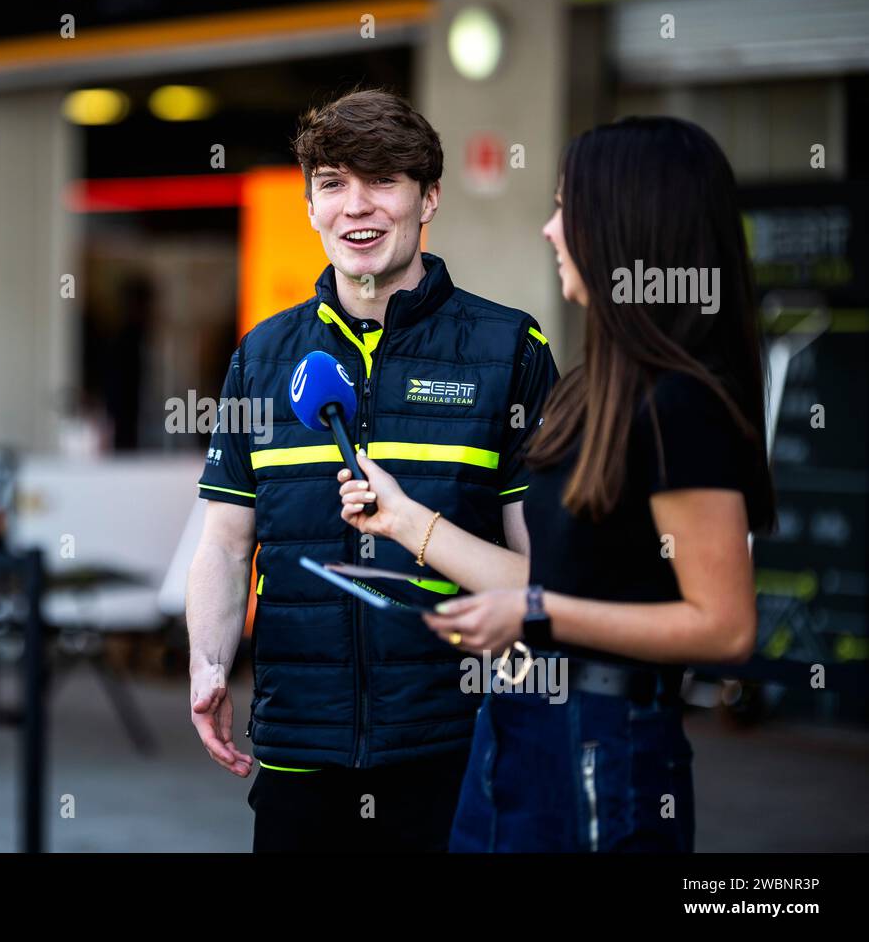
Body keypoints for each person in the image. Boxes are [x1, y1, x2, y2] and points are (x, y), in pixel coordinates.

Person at [337, 116, 775, 851]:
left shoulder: (681, 405)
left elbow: (725, 627)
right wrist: (406, 521)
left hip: (605, 743)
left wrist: (535, 615)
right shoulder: (587, 392)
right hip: (518, 729)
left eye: (566, 208)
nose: (548, 229)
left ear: (624, 224)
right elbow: (561, 579)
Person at [187, 88, 558, 852]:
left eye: (382, 180)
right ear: (311, 206)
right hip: (297, 750)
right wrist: (209, 662)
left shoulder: (509, 350)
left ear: (430, 198)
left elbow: (540, 580)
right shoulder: (261, 357)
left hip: (456, 749)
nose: (356, 206)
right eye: (332, 183)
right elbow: (225, 543)